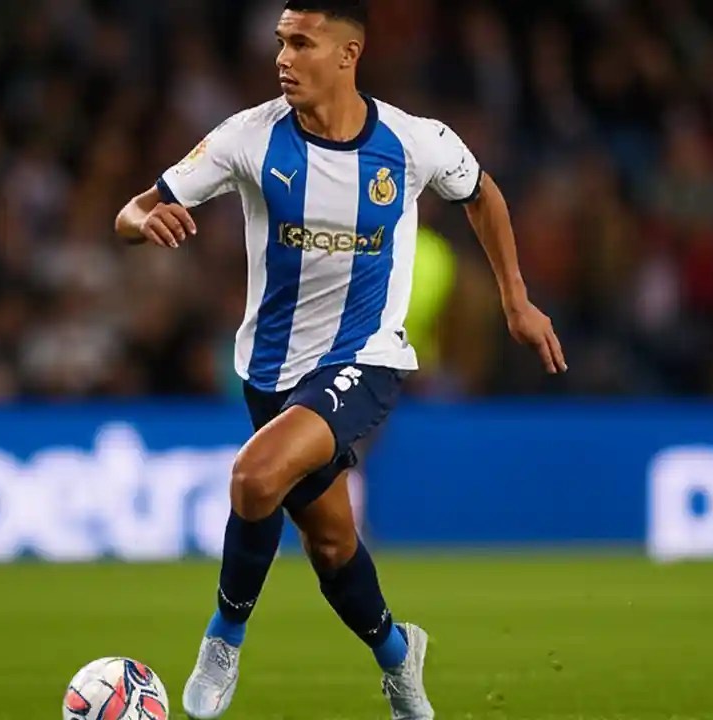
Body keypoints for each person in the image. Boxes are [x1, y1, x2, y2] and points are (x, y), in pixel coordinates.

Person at [114, 1, 567, 717]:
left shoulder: (413, 142)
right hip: (268, 372)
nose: (282, 59)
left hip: (366, 358)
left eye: (301, 43)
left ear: (347, 56)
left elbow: (482, 193)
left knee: (253, 475)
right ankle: (398, 654)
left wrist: (516, 300)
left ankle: (222, 640)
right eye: (280, 43)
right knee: (331, 547)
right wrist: (148, 220)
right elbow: (133, 209)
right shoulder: (250, 138)